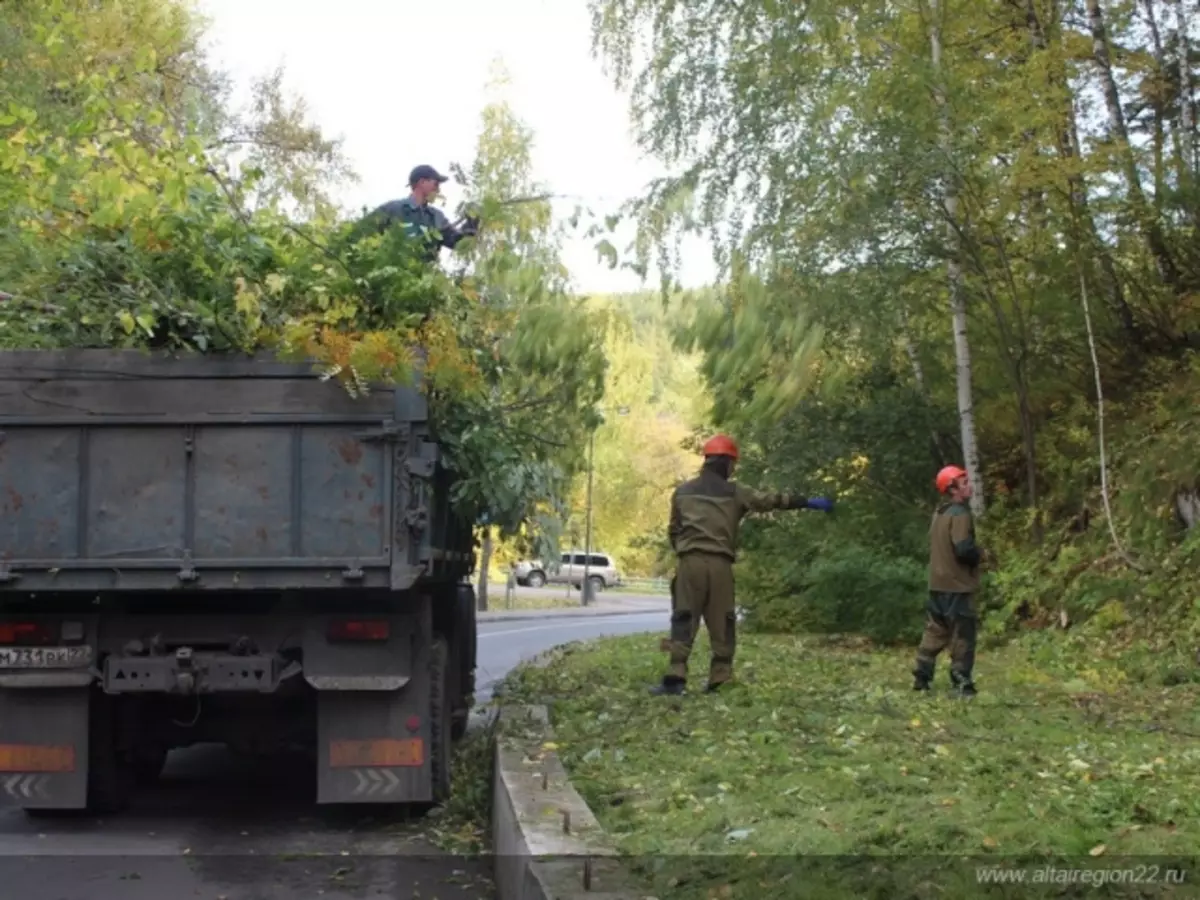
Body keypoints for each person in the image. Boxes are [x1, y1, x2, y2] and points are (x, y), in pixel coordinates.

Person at [650, 434, 835, 696]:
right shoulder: (736, 492)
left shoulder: (682, 492)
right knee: (723, 622)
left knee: (682, 618)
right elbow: (771, 500)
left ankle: (674, 677)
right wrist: (807, 502)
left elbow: (673, 530)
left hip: (689, 564)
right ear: (727, 463)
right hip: (720, 566)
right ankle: (720, 678)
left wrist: (686, 551)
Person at [913, 465, 985, 696]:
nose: (969, 486)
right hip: (958, 586)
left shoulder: (939, 513)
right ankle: (962, 684)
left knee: (935, 631)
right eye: (964, 483)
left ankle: (921, 678)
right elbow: (963, 548)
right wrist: (981, 555)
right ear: (953, 489)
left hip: (937, 585)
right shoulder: (960, 514)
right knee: (963, 635)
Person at [364, 164, 478, 260]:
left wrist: (471, 226)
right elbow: (361, 232)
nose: (438, 190)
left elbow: (457, 243)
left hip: (424, 280)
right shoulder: (392, 209)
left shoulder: (437, 217)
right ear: (422, 182)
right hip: (392, 278)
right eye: (435, 184)